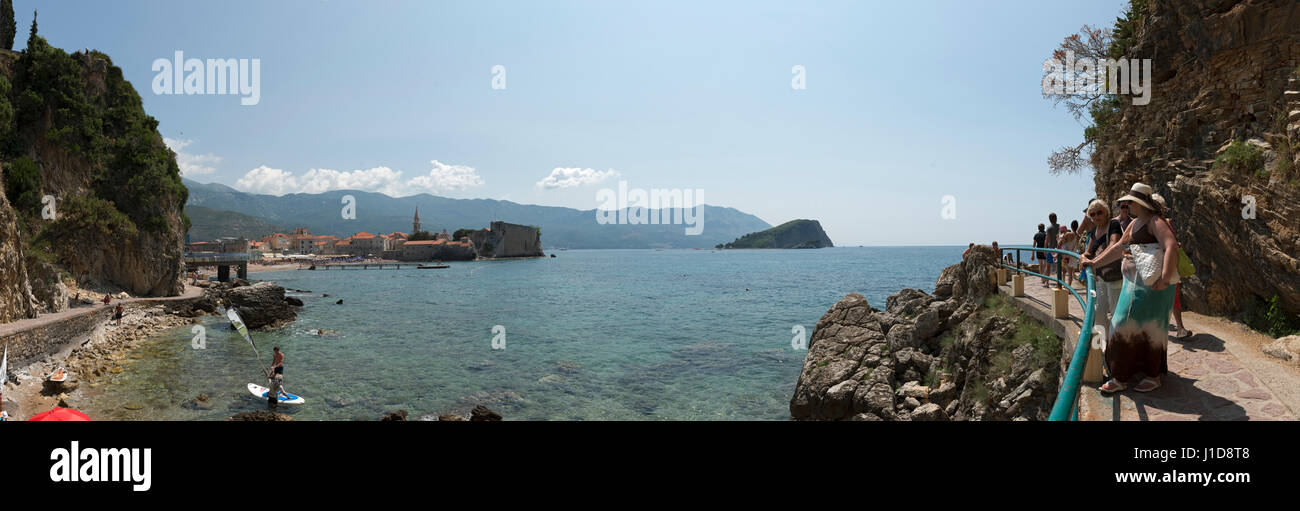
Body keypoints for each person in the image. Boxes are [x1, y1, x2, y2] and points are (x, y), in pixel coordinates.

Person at [1083, 183, 1179, 394]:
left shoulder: (1155, 221)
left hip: (1153, 286)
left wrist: (1164, 278)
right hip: (1134, 283)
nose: (1126, 204)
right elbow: (1119, 248)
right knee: (1124, 324)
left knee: (1146, 327)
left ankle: (1148, 375)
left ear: (1139, 203)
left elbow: (1171, 245)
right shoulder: (1134, 223)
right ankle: (1125, 374)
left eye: (1130, 201)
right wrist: (1095, 263)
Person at [1152, 194, 1192, 339]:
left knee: (1172, 297)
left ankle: (1178, 328)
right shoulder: (1155, 223)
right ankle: (1169, 328)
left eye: (1159, 206)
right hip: (1160, 266)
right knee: (1167, 297)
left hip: (1165, 265)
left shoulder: (1165, 222)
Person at [1079, 199, 1123, 330]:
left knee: (1116, 311)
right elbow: (1089, 252)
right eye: (1092, 214)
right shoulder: (1094, 231)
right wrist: (1082, 257)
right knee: (1099, 309)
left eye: (1099, 212)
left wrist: (1094, 262)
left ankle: (1116, 343)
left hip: (1114, 275)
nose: (1096, 216)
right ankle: (1101, 343)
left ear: (1106, 212)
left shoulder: (1113, 224)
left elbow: (1113, 245)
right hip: (1100, 276)